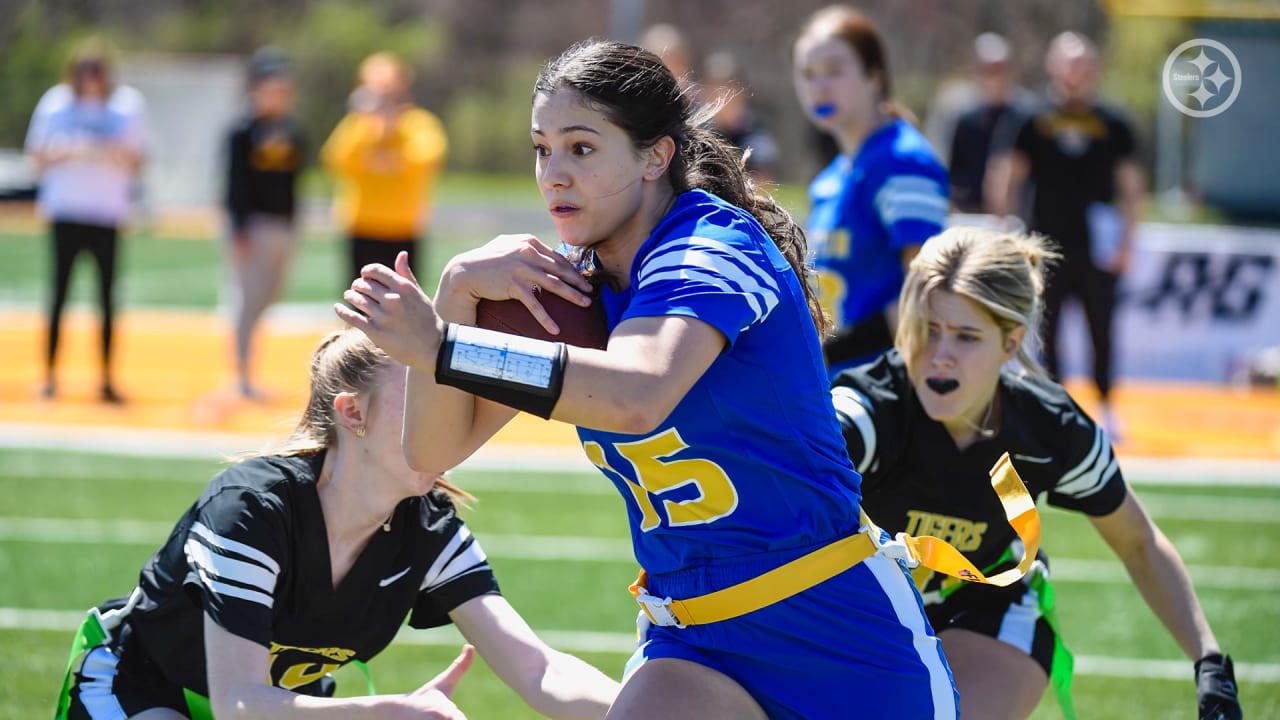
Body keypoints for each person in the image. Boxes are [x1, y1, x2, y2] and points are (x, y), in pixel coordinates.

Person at [338, 38, 959, 720]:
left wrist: (446, 346)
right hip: (691, 635)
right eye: (542, 149)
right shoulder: (572, 277)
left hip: (830, 623)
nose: (553, 174)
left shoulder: (712, 245)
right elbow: (430, 452)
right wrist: (456, 292)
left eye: (581, 148)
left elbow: (637, 395)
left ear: (656, 156)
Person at [56, 328, 620, 719]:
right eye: (422, 400)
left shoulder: (429, 529)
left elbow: (540, 671)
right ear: (352, 413)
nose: (444, 422)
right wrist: (383, 712)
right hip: (141, 684)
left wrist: (648, 708)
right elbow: (239, 703)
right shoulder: (253, 510)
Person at [829, 226, 1242, 720]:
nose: (939, 354)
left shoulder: (1050, 431)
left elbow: (1138, 542)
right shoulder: (866, 412)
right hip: (856, 609)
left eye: (966, 336)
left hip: (981, 605)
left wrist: (1209, 660)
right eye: (928, 328)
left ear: (1011, 343)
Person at [988, 32, 1144, 439]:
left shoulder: (1112, 122)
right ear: (1053, 67)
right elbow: (1008, 176)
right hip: (1045, 246)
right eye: (1070, 63)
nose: (1077, 72)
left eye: (1084, 63)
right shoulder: (1032, 118)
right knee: (1048, 332)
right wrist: (1008, 230)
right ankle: (1055, 409)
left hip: (1098, 248)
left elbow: (1131, 186)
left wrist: (1128, 241)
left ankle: (1107, 406)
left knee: (1101, 330)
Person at [792, 6, 950, 375]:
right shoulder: (832, 177)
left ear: (874, 76)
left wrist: (832, 352)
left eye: (834, 70)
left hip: (885, 384)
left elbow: (926, 293)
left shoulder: (901, 161)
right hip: (838, 383)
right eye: (808, 74)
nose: (819, 86)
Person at [24, 37, 149, 404]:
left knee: (106, 299)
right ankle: (49, 376)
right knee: (58, 295)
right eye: (84, 70)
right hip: (66, 212)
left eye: (97, 70)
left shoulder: (125, 107)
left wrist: (112, 152)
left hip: (107, 214)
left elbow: (140, 159)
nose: (91, 78)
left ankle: (106, 379)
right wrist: (66, 151)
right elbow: (36, 157)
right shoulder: (55, 104)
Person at [222, 46, 306, 400]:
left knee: (271, 295)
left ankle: (247, 370)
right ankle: (242, 374)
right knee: (248, 299)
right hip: (253, 224)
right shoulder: (243, 130)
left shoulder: (291, 130)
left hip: (282, 224)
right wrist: (237, 227)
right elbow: (234, 183)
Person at [322, 51, 447, 284]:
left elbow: (427, 160)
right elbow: (335, 159)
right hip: (362, 224)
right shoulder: (358, 125)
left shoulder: (418, 124)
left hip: (403, 225)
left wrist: (391, 132)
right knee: (361, 296)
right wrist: (369, 129)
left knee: (404, 296)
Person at [947, 33, 1033, 215]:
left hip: (1016, 217)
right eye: (986, 69)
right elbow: (956, 176)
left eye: (999, 69)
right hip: (973, 216)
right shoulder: (966, 120)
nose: (994, 76)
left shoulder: (1026, 117)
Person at [702, 50, 780, 183]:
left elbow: (761, 180)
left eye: (728, 89)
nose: (722, 98)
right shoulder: (701, 130)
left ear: (741, 92)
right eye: (717, 90)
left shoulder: (755, 131)